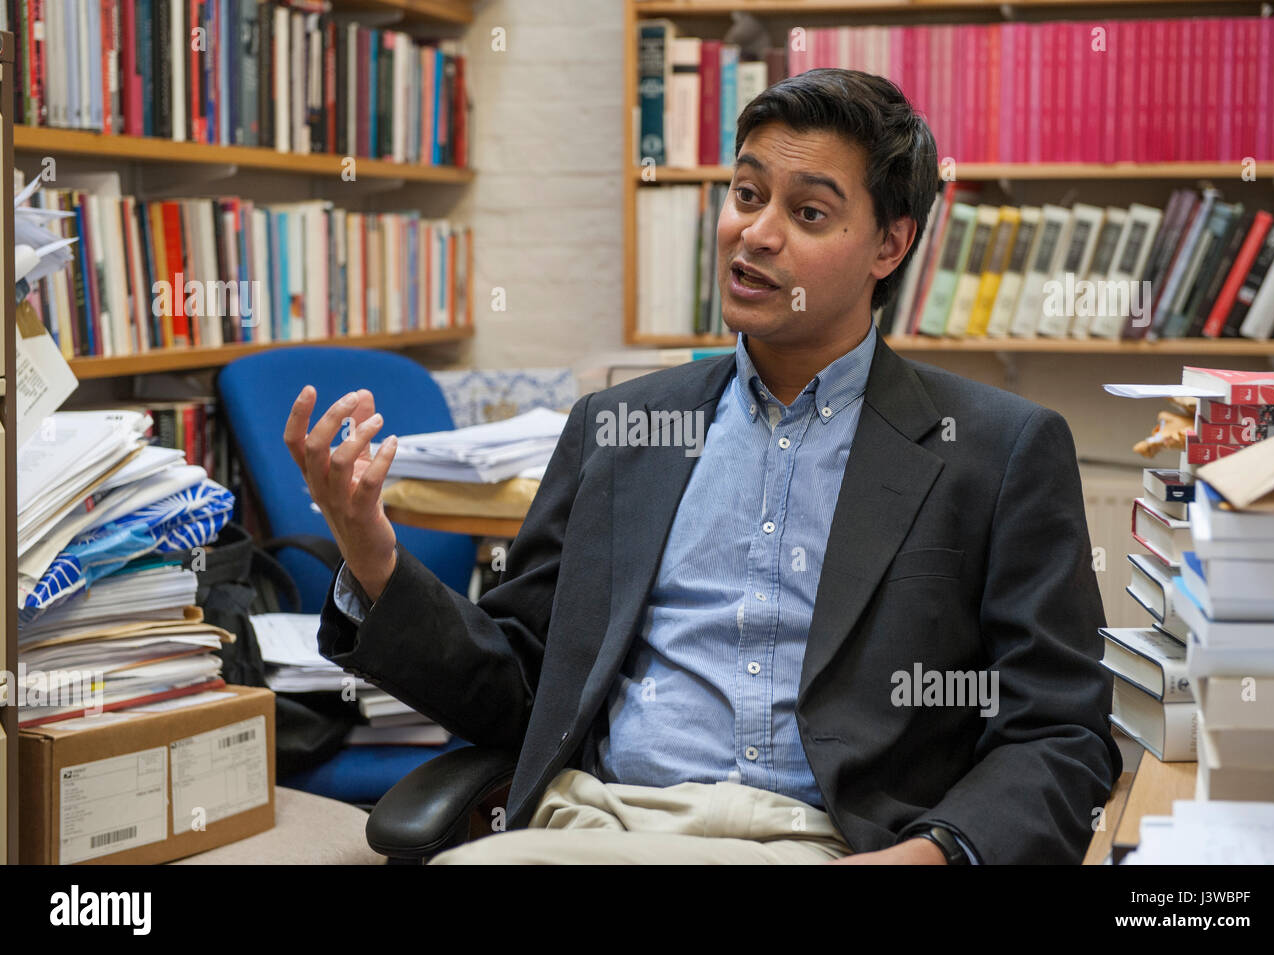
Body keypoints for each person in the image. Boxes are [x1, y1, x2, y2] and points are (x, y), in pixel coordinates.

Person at [284, 68, 1120, 864]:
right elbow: (524, 682)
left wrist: (932, 853)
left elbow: (1058, 731)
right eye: (747, 194)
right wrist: (372, 554)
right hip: (595, 826)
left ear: (889, 245)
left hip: (835, 841)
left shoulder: (997, 449)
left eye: (810, 212)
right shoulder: (622, 428)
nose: (754, 232)